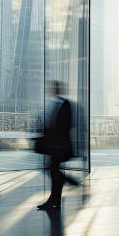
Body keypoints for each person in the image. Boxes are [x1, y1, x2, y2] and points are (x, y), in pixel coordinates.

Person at [37, 81, 79, 211]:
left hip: (60, 146)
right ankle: (55, 200)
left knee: (53, 170)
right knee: (53, 171)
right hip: (53, 145)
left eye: (55, 88)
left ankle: (66, 183)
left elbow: (68, 125)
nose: (53, 90)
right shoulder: (52, 104)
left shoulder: (66, 104)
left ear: (59, 90)